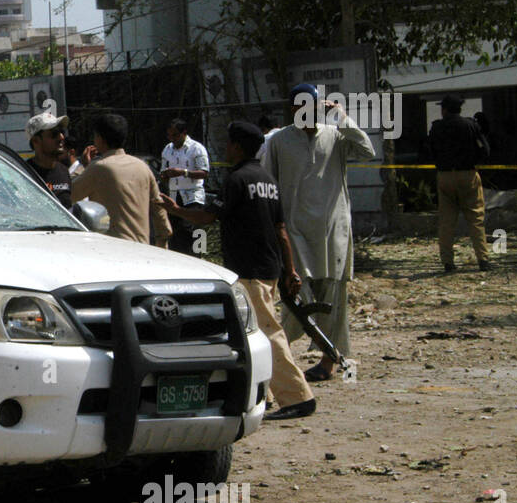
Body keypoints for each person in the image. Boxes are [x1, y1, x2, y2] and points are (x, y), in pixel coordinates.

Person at [160, 121, 316, 420]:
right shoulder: (268, 179)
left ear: (238, 146)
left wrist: (175, 209)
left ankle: (299, 397)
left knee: (269, 333)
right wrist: (290, 270)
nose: (225, 148)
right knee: (254, 332)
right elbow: (281, 230)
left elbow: (207, 217)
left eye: (229, 143)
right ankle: (265, 395)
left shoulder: (237, 180)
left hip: (247, 268)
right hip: (270, 267)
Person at [262, 83, 375, 383]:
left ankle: (330, 362)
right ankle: (275, 359)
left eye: (312, 106)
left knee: (334, 296)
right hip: (295, 230)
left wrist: (341, 116)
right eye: (300, 107)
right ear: (293, 110)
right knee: (296, 295)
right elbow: (268, 184)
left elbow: (366, 150)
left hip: (333, 229)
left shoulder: (336, 135)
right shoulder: (280, 141)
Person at [72, 112, 172, 246]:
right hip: (143, 247)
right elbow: (159, 208)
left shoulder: (99, 168)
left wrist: (83, 168)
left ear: (100, 139)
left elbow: (70, 195)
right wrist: (163, 240)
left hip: (113, 248)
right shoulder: (142, 167)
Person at [424, 94, 490, 273]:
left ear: (444, 110)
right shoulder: (470, 125)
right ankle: (483, 260)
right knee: (476, 219)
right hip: (468, 174)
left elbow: (427, 151)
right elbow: (485, 150)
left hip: (445, 176)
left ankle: (448, 262)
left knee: (446, 222)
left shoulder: (436, 128)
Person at [159, 117, 211, 255]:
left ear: (184, 133)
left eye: (175, 135)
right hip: (174, 195)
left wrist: (183, 172)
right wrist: (165, 176)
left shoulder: (196, 148)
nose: (172, 139)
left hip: (193, 196)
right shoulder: (167, 149)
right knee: (176, 231)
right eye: (169, 135)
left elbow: (204, 173)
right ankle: (180, 258)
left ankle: (198, 257)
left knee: (193, 230)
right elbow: (163, 170)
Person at [24, 112, 73, 207]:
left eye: (61, 132)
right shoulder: (25, 174)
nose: (61, 137)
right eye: (54, 134)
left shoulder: (63, 170)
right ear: (36, 141)